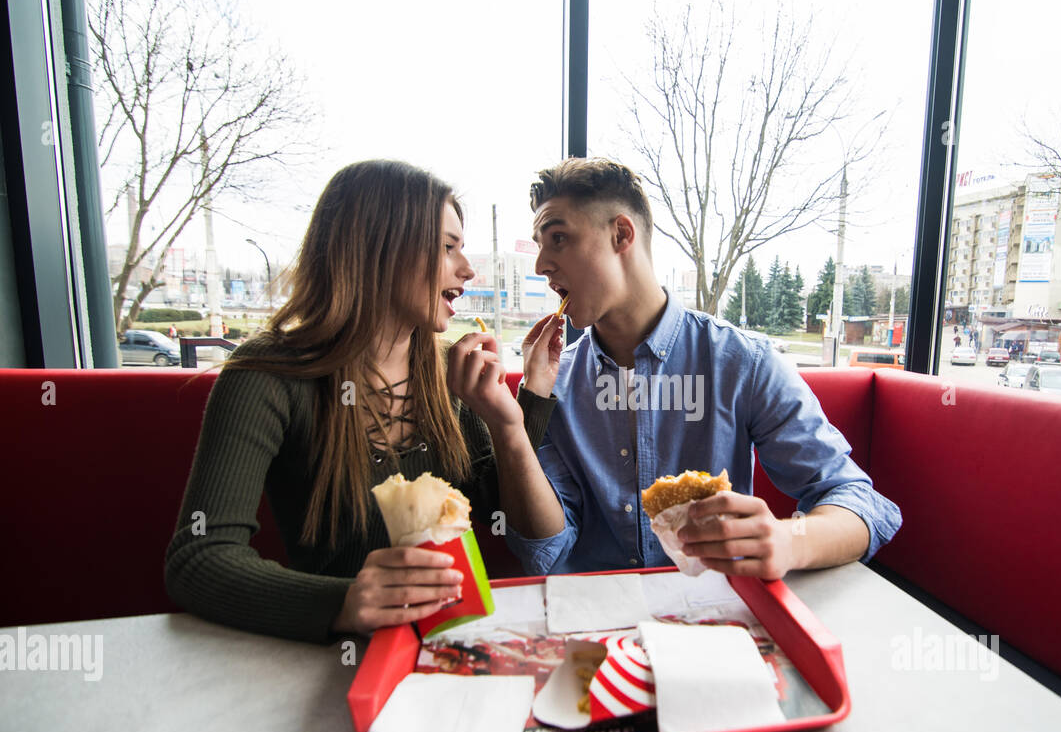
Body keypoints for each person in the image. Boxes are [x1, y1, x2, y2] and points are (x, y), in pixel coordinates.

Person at [165, 160, 566, 643]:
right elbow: (200, 558)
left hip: (456, 642)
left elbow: (505, 517)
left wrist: (524, 406)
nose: (467, 268)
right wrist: (345, 601)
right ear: (377, 248)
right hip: (339, 660)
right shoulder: (268, 374)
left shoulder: (445, 370)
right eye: (447, 248)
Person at [504, 157, 901, 580]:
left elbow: (859, 501)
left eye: (558, 238)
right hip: (594, 624)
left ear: (621, 234)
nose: (540, 264)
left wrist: (788, 540)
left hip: (713, 620)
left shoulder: (742, 362)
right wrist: (521, 413)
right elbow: (545, 553)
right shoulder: (551, 384)